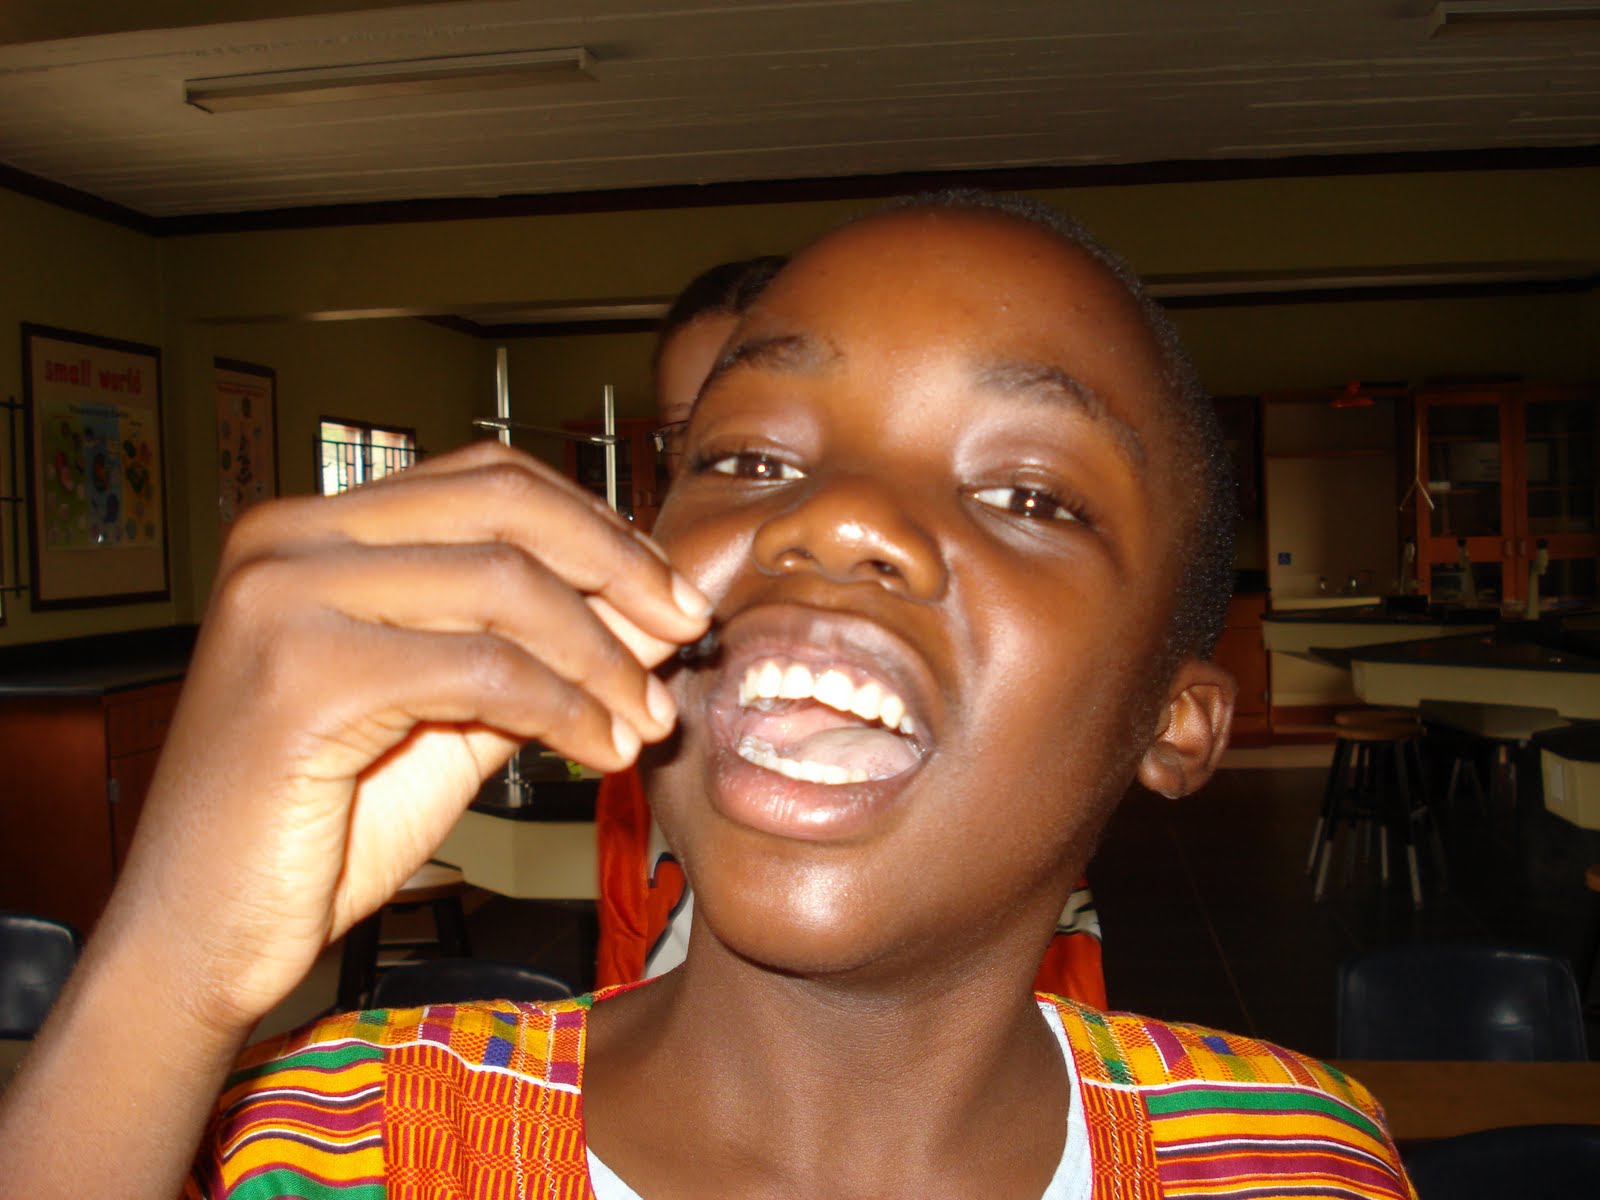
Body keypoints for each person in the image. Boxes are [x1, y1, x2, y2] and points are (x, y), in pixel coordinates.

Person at [0, 191, 1414, 1200]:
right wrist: (172, 967)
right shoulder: (333, 1139)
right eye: (745, 459)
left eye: (1028, 492)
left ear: (1175, 724)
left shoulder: (1293, 1159)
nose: (839, 518)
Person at [597, 255, 1107, 1008]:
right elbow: (625, 957)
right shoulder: (646, 718)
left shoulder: (995, 782)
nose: (818, 515)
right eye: (734, 455)